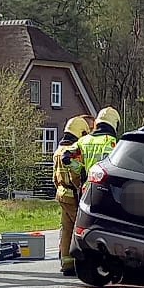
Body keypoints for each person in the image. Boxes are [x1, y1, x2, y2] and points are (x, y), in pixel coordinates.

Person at [53, 113, 93, 276]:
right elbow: (76, 176)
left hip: (61, 194)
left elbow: (55, 177)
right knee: (79, 228)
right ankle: (79, 261)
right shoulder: (72, 152)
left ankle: (66, 262)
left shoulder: (58, 151)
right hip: (73, 195)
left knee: (66, 229)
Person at [78, 106, 122, 172]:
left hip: (87, 181)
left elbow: (68, 159)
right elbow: (111, 168)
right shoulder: (110, 141)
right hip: (103, 181)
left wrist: (80, 176)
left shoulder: (82, 140)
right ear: (115, 124)